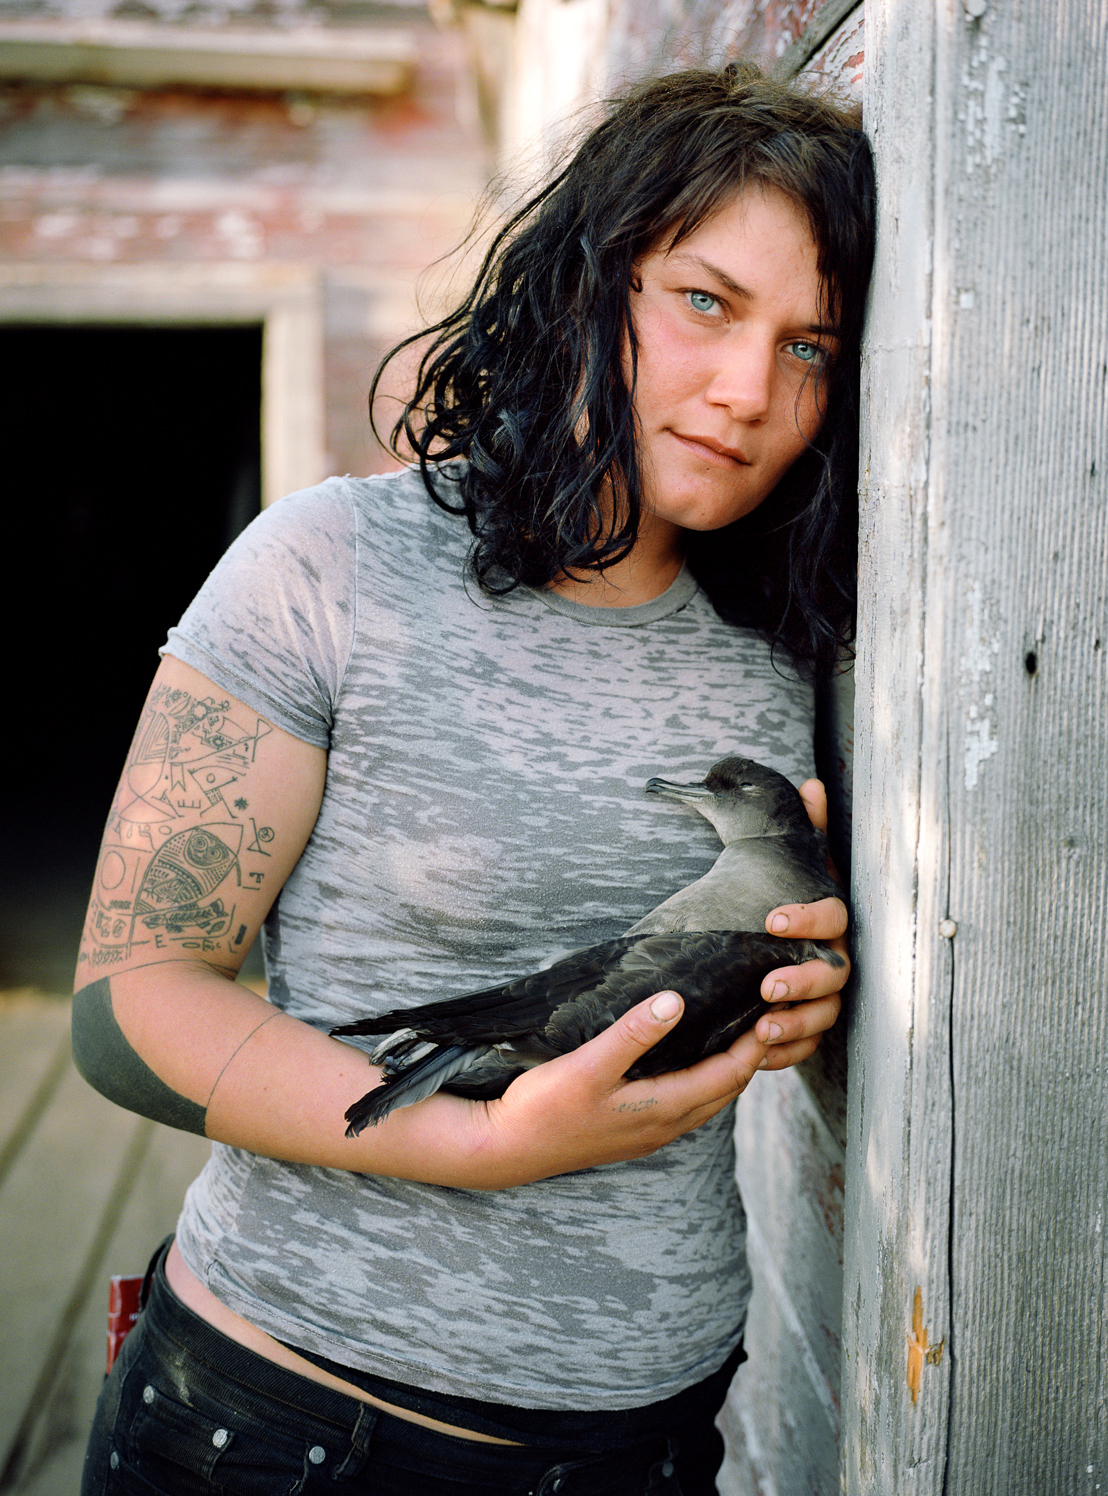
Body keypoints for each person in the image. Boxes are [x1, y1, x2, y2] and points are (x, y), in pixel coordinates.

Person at [75, 60, 874, 1496]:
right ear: (588, 288)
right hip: (294, 1433)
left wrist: (800, 1003)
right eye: (705, 302)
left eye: (810, 346)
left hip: (658, 1442)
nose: (750, 389)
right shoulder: (329, 566)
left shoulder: (782, 655)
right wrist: (482, 1143)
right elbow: (129, 1007)